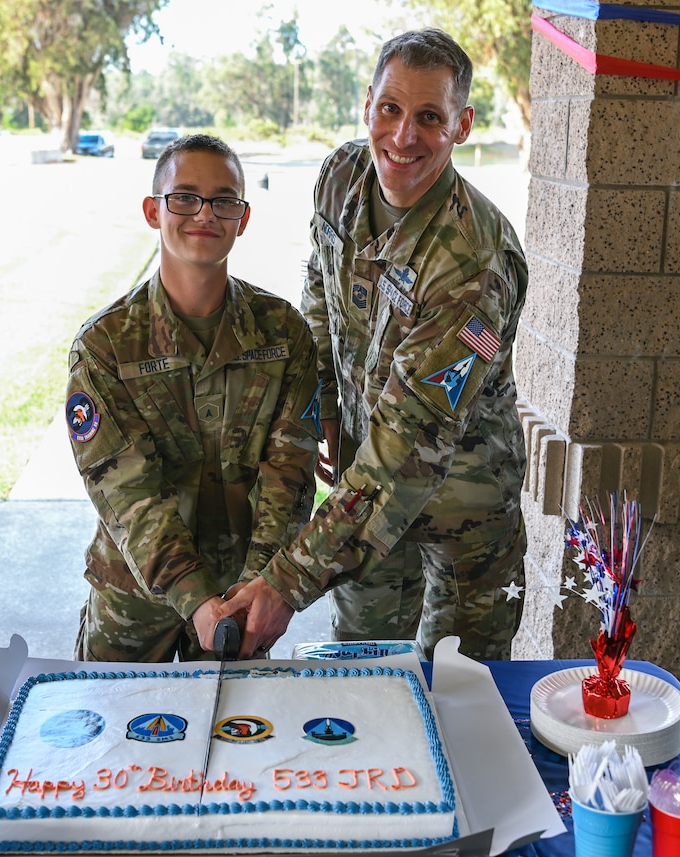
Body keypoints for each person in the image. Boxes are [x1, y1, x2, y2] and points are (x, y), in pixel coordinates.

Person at [217, 29, 530, 661]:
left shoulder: (474, 265)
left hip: (462, 510)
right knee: (363, 668)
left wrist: (285, 582)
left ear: (462, 125)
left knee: (457, 691)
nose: (403, 137)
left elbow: (410, 447)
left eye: (429, 118)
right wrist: (325, 406)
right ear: (368, 103)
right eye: (390, 109)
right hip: (366, 488)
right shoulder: (341, 178)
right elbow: (319, 291)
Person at [66, 134, 321, 662]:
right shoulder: (107, 345)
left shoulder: (282, 334)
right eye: (184, 197)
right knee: (116, 741)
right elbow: (130, 496)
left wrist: (258, 590)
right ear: (152, 210)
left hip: (241, 607)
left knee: (242, 739)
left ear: (243, 218)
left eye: (224, 200)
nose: (204, 213)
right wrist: (195, 599)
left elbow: (288, 479)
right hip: (134, 605)